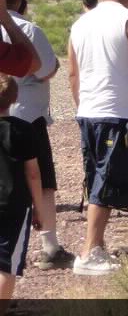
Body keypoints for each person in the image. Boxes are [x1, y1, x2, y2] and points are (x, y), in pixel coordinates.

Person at [67, 0, 128, 276]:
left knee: (96, 177)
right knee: (105, 181)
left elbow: (72, 73)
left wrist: (83, 105)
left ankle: (97, 246)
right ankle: (89, 252)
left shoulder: (80, 23)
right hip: (115, 113)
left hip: (88, 112)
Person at [0, 0, 68, 269]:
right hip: (27, 117)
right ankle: (49, 246)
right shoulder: (27, 29)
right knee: (42, 182)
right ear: (18, 0)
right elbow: (44, 68)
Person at [0, 74, 44, 305]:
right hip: (14, 205)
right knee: (6, 264)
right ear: (14, 98)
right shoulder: (23, 130)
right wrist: (38, 207)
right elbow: (33, 173)